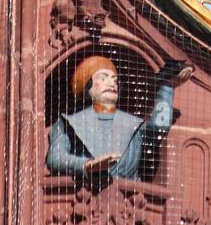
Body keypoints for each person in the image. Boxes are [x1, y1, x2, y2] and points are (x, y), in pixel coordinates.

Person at [46, 55, 193, 182]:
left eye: (115, 80)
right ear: (88, 87)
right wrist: (87, 165)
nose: (112, 83)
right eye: (103, 78)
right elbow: (55, 158)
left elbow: (158, 130)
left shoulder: (134, 124)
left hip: (129, 203)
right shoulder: (68, 122)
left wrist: (167, 87)